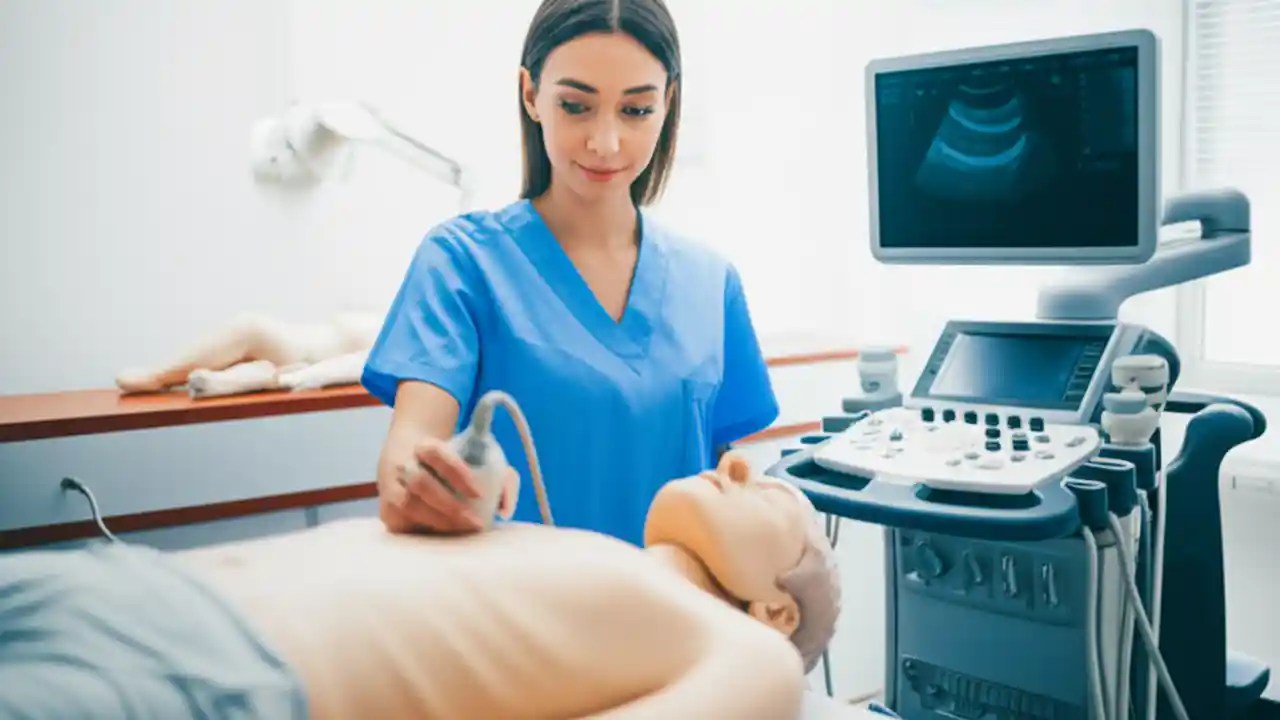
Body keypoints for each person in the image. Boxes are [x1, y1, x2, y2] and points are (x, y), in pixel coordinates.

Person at [362, 0, 780, 546]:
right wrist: (437, 485)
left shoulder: (710, 283)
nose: (605, 143)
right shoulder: (461, 262)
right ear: (531, 94)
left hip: (677, 619)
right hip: (527, 619)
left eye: (635, 111)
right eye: (576, 106)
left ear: (668, 103)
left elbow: (726, 482)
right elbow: (410, 446)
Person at [0, 453, 841, 720]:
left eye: (774, 496)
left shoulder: (753, 655)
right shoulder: (584, 547)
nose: (736, 462)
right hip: (114, 582)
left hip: (208, 675)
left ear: (777, 608)